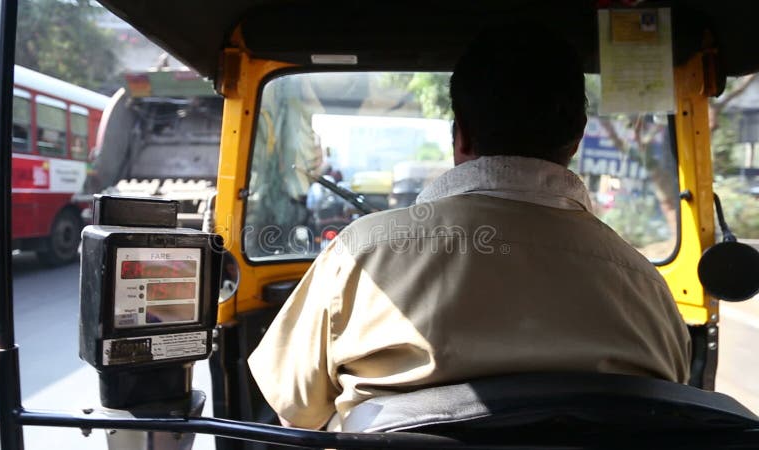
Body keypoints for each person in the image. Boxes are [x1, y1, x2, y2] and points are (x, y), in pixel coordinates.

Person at [248, 24, 691, 431]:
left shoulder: (360, 254)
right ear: (576, 140)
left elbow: (299, 410)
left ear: (460, 136)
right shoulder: (646, 287)